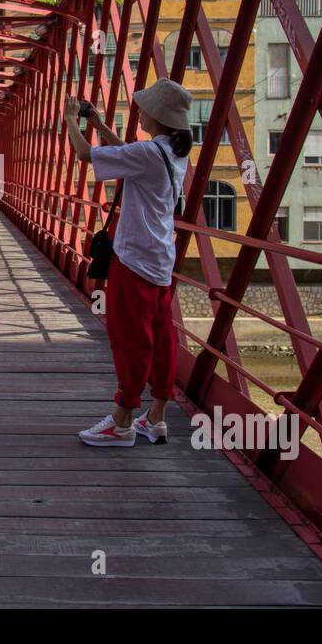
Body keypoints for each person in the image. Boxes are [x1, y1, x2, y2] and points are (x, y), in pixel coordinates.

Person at [62, 81, 193, 447]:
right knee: (163, 339)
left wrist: (72, 120)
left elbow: (85, 154)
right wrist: (101, 124)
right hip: (162, 261)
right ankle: (156, 418)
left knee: (131, 342)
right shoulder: (172, 152)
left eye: (146, 109)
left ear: (157, 117)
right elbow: (128, 153)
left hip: (134, 260)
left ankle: (122, 422)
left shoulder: (152, 153)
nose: (142, 113)